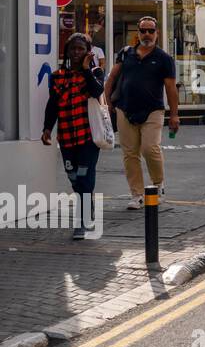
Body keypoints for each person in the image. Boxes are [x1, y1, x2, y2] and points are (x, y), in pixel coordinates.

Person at [104, 16, 179, 209]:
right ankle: (136, 195)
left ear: (157, 33)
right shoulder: (126, 53)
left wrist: (174, 115)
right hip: (125, 108)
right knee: (130, 154)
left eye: (151, 31)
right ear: (138, 33)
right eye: (143, 30)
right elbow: (112, 77)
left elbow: (171, 88)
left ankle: (158, 185)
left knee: (149, 148)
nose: (147, 34)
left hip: (153, 110)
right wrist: (107, 102)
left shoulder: (164, 59)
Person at [41, 33, 105, 239]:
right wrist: (47, 129)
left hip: (88, 136)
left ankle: (83, 221)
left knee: (85, 178)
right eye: (73, 49)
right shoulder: (57, 76)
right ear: (67, 51)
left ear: (88, 52)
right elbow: (53, 105)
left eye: (81, 49)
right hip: (66, 136)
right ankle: (89, 205)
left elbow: (96, 91)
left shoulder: (95, 72)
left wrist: (86, 69)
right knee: (74, 178)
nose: (77, 52)